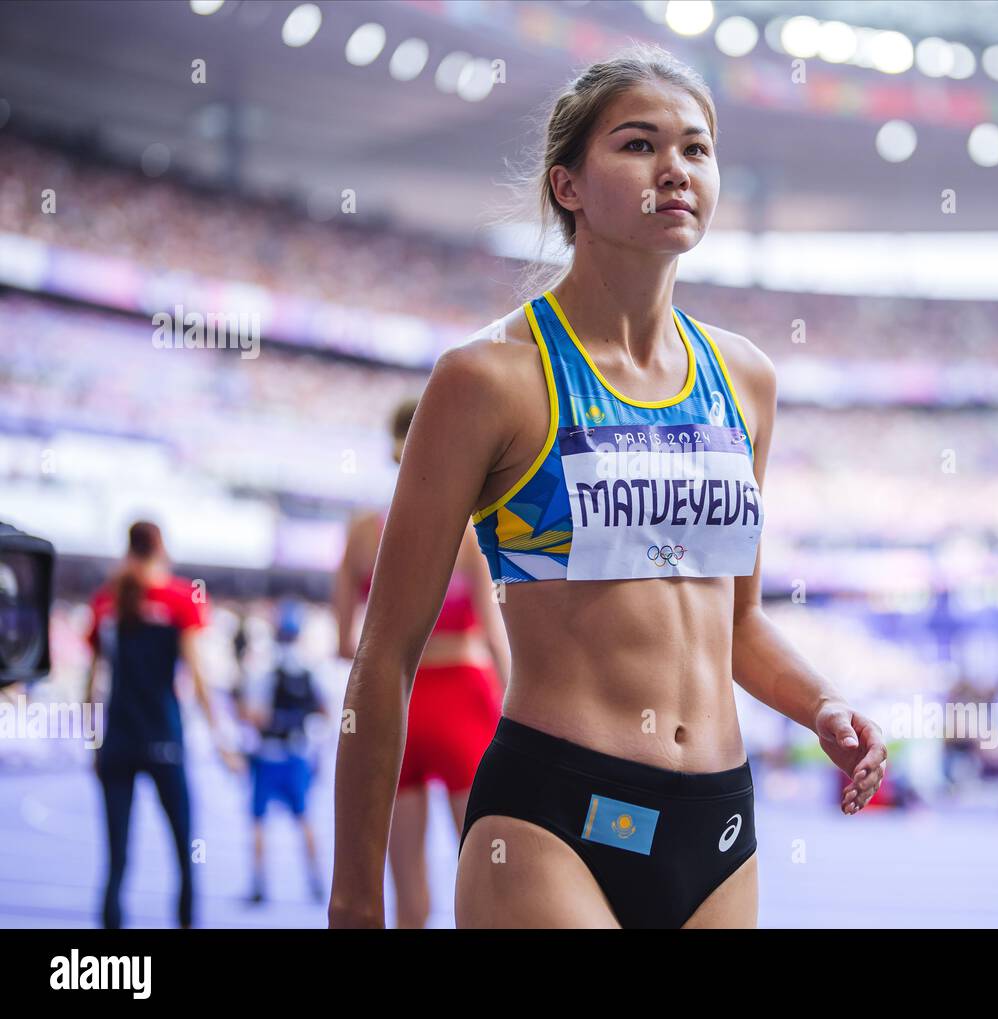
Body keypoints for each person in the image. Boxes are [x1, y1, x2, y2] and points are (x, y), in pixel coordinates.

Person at [329, 44, 886, 930]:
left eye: (696, 148)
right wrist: (356, 900)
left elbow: (736, 621)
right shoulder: (488, 378)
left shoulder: (746, 379)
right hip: (553, 816)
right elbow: (386, 651)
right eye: (638, 144)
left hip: (718, 825)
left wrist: (821, 702)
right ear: (568, 185)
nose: (675, 168)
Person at [333, 398, 508, 928]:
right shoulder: (469, 532)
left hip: (393, 699)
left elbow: (345, 643)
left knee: (406, 891)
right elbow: (493, 635)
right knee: (484, 879)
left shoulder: (362, 533)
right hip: (463, 701)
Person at [84, 520, 241, 929]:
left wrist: (93, 741)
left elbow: (92, 683)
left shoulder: (106, 600)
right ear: (161, 548)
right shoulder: (179, 598)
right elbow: (197, 677)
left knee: (116, 857)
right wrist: (222, 740)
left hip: (117, 741)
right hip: (163, 738)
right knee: (184, 848)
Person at [237, 598, 327, 905]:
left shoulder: (265, 666)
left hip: (268, 755)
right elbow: (323, 711)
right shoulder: (307, 668)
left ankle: (258, 884)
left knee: (258, 821)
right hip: (296, 754)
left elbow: (254, 715)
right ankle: (316, 882)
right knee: (303, 818)